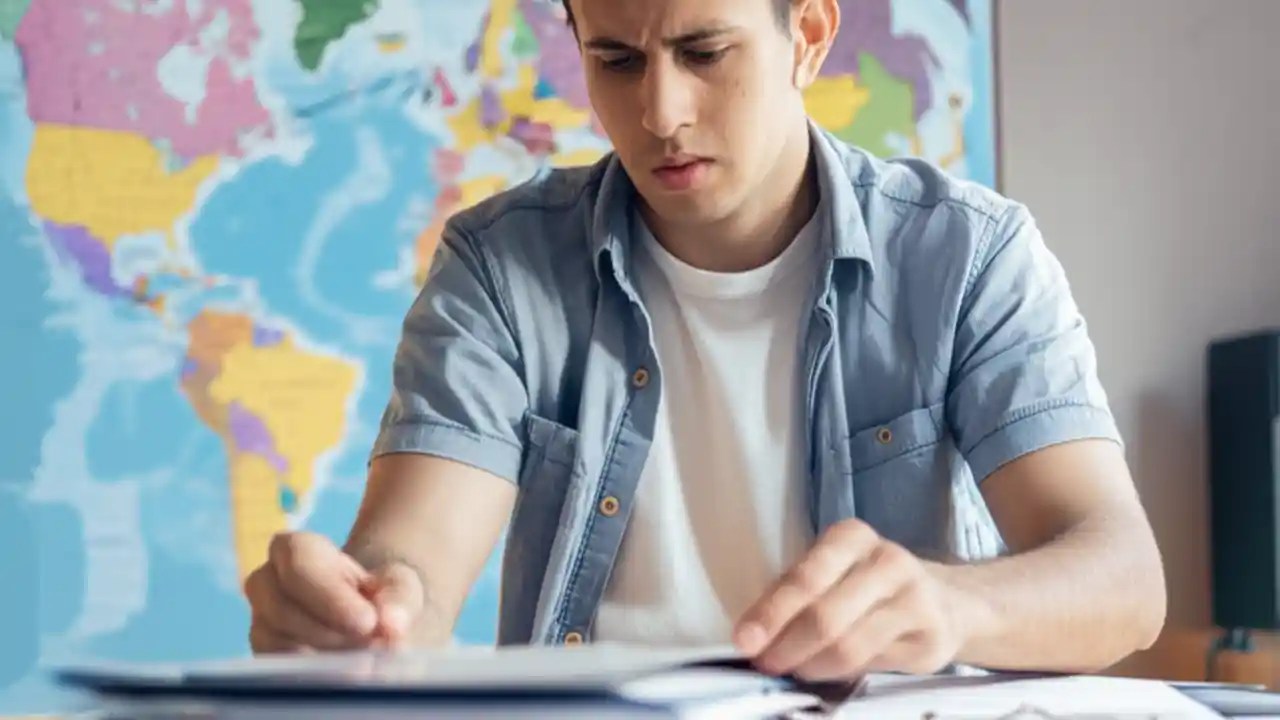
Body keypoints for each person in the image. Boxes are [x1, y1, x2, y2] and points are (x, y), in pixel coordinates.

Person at [243, 0, 1167, 681]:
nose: (660, 113)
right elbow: (414, 564)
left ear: (807, 36)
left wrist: (950, 604)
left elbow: (1123, 580)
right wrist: (368, 611)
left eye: (704, 51)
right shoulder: (500, 264)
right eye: (615, 60)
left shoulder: (967, 253)